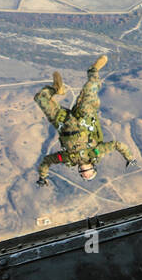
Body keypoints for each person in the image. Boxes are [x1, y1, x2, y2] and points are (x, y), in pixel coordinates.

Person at [33, 55, 135, 185]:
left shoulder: (68, 159)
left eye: (83, 175)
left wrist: (42, 177)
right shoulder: (96, 152)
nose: (85, 174)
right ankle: (94, 70)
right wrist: (129, 158)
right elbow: (116, 145)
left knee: (40, 98)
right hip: (84, 117)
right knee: (90, 88)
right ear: (93, 168)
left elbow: (47, 161)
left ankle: (56, 89)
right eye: (89, 174)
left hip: (63, 122)